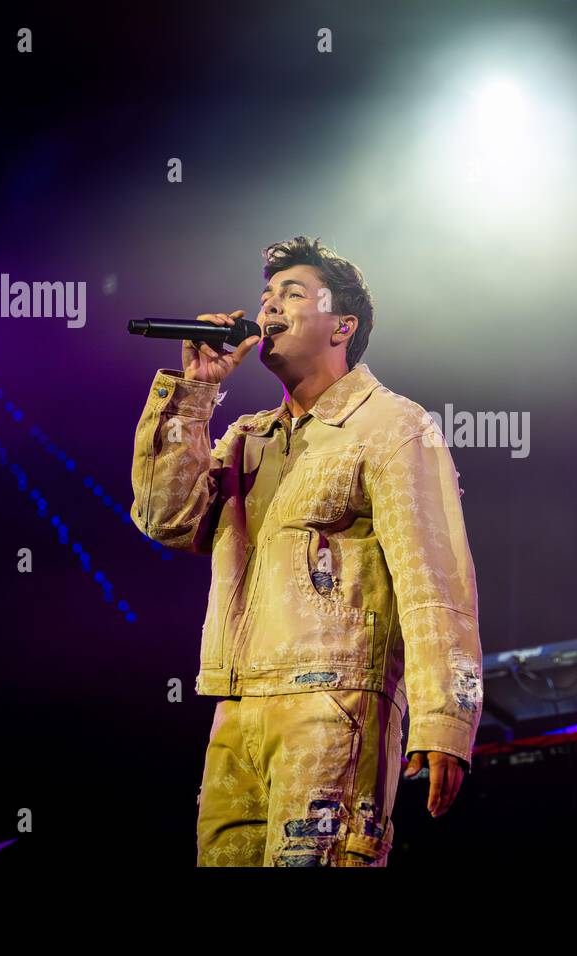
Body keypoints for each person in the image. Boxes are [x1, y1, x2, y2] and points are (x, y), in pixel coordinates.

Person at [130, 236, 482, 866]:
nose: (267, 307)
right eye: (265, 295)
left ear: (342, 325)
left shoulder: (393, 426)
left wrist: (445, 719)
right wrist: (193, 393)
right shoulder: (246, 438)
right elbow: (165, 519)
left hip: (334, 702)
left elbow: (435, 582)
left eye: (291, 294)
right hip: (237, 706)